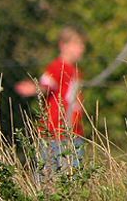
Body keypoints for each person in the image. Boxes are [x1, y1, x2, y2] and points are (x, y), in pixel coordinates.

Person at [15, 26, 87, 179]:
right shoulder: (56, 67)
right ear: (63, 45)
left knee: (74, 178)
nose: (81, 49)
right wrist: (35, 88)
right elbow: (46, 85)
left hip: (74, 132)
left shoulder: (76, 71)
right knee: (47, 178)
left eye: (82, 45)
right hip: (55, 133)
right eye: (77, 44)